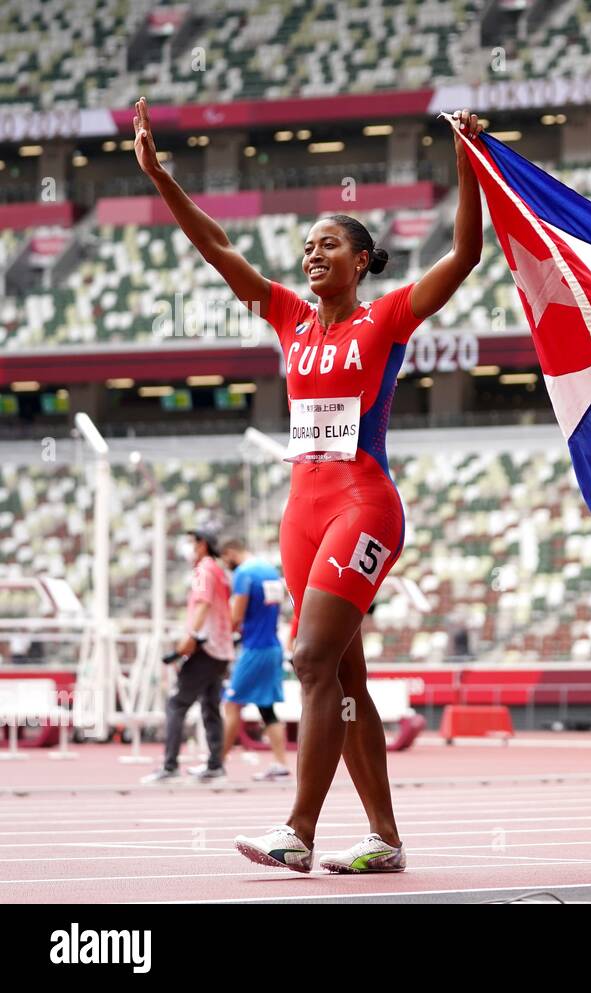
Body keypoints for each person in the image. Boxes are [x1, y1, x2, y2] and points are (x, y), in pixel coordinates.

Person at [132, 97, 485, 872]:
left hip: (364, 505)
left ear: (361, 260)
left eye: (328, 245)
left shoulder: (387, 317)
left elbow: (463, 258)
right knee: (343, 674)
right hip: (303, 512)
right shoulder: (288, 316)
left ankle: (297, 828)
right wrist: (161, 178)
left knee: (310, 660)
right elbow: (215, 244)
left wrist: (467, 163)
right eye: (306, 246)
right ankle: (385, 838)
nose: (311, 254)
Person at [141, 527, 235, 783]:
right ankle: (215, 765)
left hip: (206, 646)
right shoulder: (220, 571)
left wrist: (191, 635)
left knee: (176, 704)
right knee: (210, 706)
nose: (188, 547)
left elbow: (203, 603)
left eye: (191, 542)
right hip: (221, 649)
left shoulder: (204, 569)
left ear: (202, 544)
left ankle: (170, 767)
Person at [218, 539, 291, 779]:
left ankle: (216, 763)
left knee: (231, 704)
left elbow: (236, 616)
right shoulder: (270, 570)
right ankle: (280, 763)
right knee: (266, 707)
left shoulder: (243, 573)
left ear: (230, 553)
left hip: (255, 648)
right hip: (272, 645)